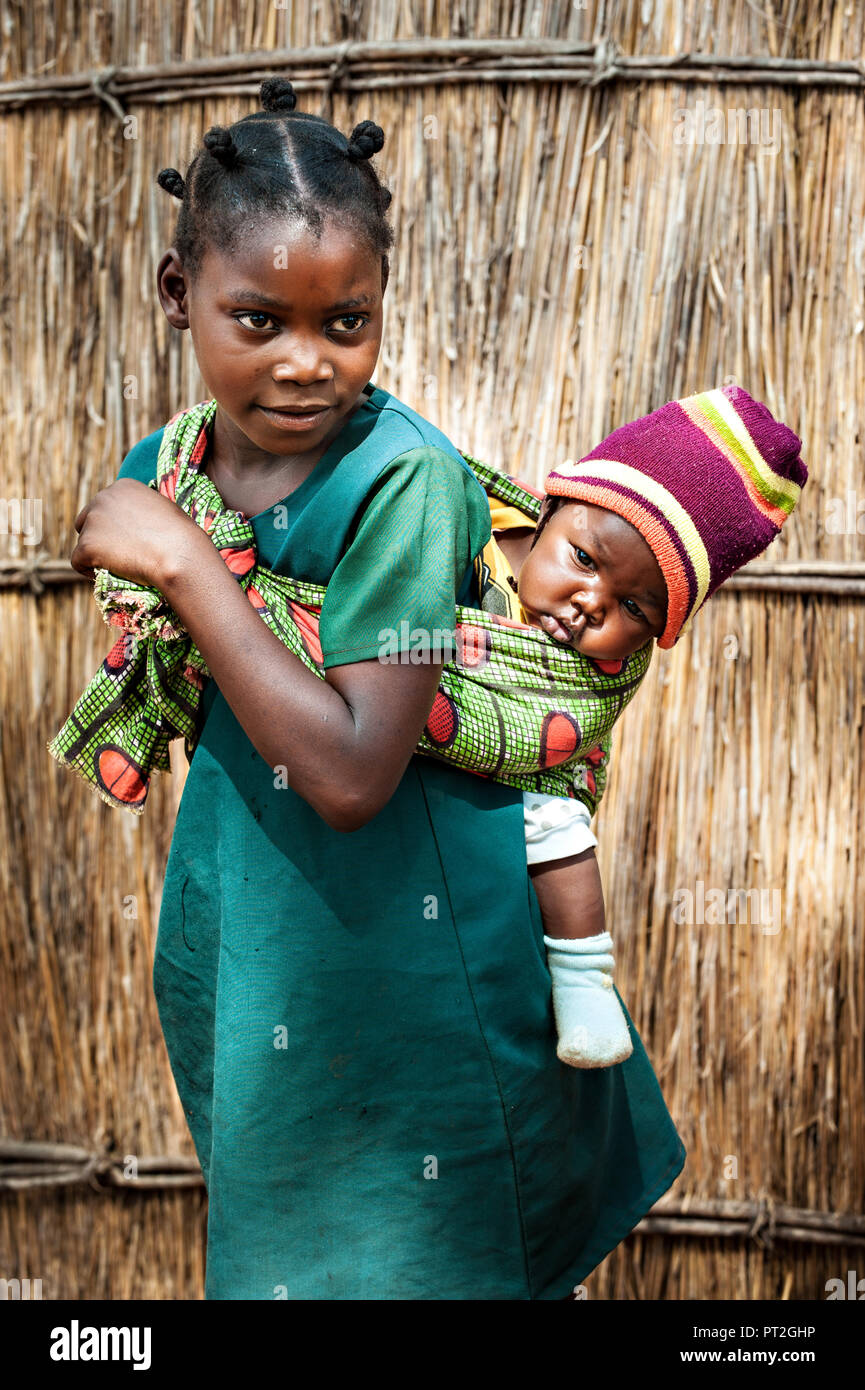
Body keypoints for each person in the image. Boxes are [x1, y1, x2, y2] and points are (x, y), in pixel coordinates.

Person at [63, 75, 690, 1300]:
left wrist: (188, 570)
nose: (307, 365)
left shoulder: (401, 482)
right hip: (263, 958)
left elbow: (351, 769)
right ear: (177, 294)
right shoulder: (169, 472)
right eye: (260, 321)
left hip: (415, 973)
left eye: (344, 323)